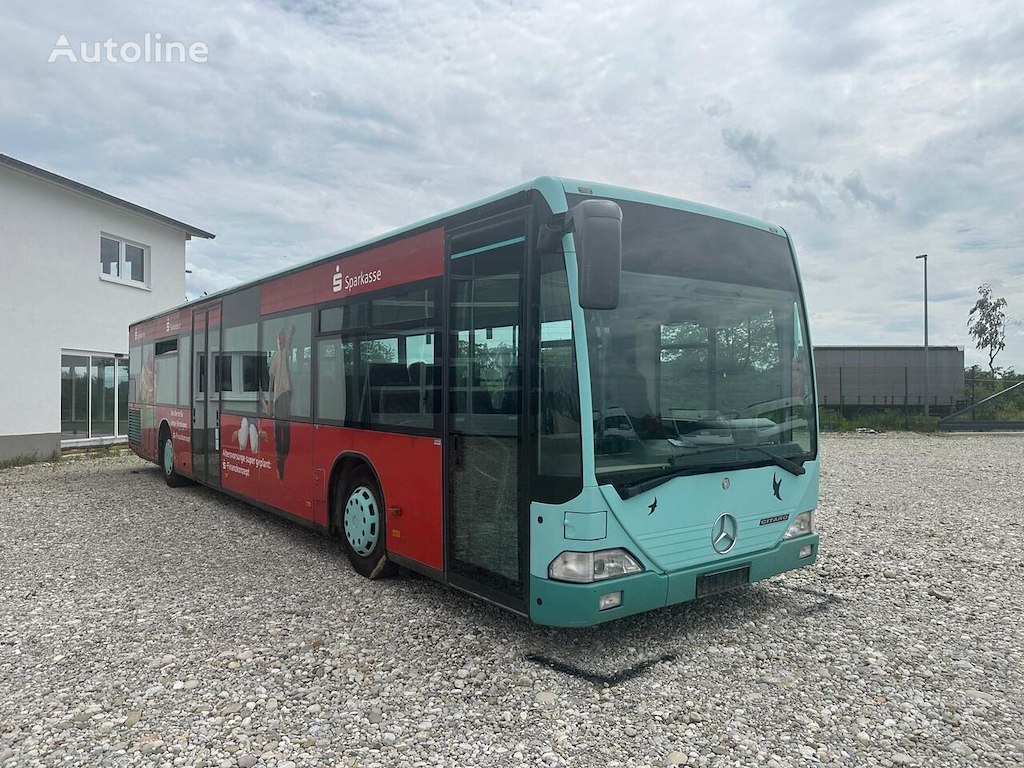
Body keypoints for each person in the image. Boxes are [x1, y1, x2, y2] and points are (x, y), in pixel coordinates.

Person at [266, 326, 295, 481]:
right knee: (280, 429)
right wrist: (270, 402)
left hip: (286, 395)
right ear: (278, 340)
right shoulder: (277, 356)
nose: (282, 340)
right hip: (279, 398)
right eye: (280, 337)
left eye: (283, 337)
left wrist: (290, 334)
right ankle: (280, 464)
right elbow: (271, 381)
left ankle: (282, 463)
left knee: (286, 429)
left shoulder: (285, 354)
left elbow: (288, 349)